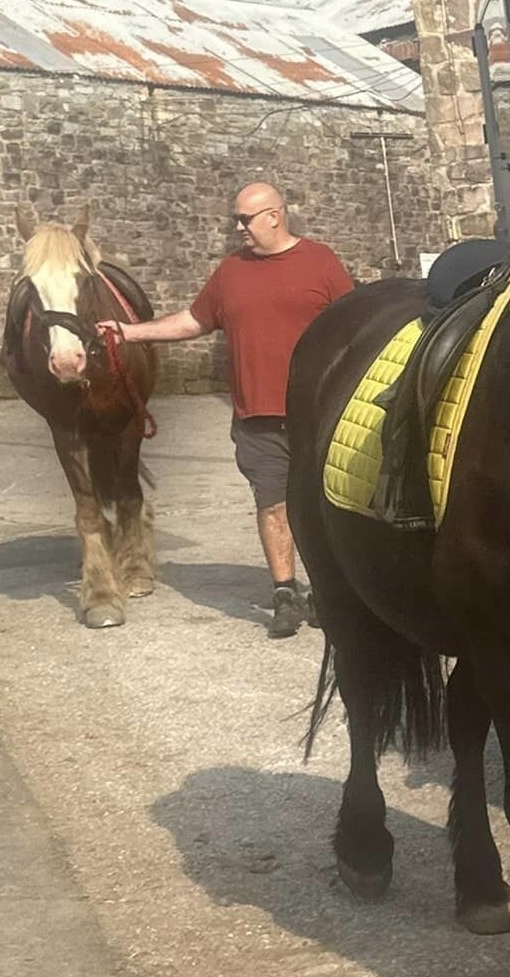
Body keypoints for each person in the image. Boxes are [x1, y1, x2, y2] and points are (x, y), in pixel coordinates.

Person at [97, 183, 354, 637]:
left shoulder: (322, 263)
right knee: (272, 504)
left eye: (245, 219)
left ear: (275, 216)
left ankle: (330, 591)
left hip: (320, 412)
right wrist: (129, 333)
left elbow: (357, 325)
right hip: (256, 415)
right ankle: (284, 593)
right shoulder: (231, 272)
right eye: (236, 219)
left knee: (322, 505)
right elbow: (194, 320)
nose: (238, 228)